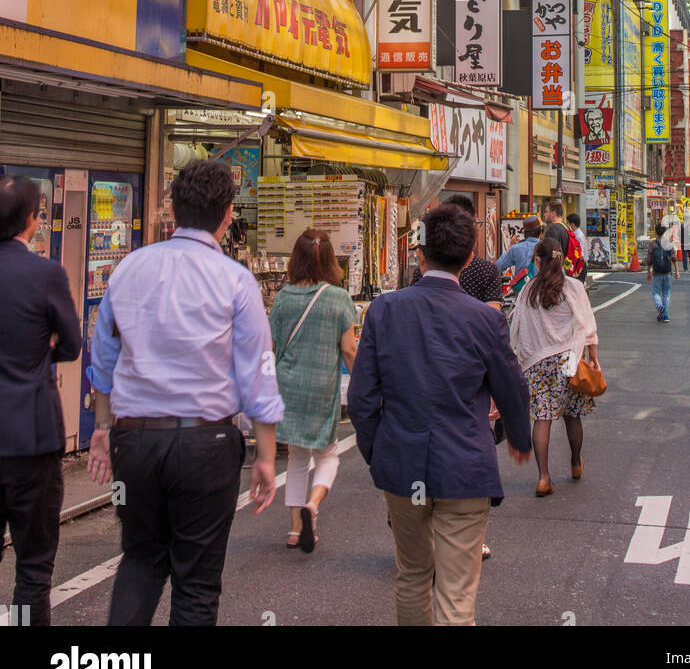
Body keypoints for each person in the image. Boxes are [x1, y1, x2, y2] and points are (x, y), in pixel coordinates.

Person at [87, 159, 285, 626]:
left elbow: (104, 360)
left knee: (139, 559)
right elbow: (258, 370)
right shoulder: (235, 280)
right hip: (206, 444)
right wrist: (266, 454)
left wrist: (101, 429)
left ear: (172, 210)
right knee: (196, 582)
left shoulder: (127, 269)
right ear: (228, 213)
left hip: (133, 440)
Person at [348, 202, 532, 627]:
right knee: (456, 592)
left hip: (405, 470)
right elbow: (512, 389)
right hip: (464, 469)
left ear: (419, 252)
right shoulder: (483, 319)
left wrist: (379, 450)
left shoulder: (385, 311)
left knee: (413, 574)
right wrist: (520, 439)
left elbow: (361, 399)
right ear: (469, 258)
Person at [0, 175, 82, 626]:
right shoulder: (44, 273)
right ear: (33, 220)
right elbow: (71, 345)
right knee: (33, 566)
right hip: (31, 436)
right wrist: (42, 349)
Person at [269, 229, 357, 553]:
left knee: (295, 457)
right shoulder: (339, 298)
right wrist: (363, 385)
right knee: (327, 453)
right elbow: (349, 350)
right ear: (332, 261)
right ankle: (313, 504)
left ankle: (294, 530)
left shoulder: (283, 297)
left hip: (288, 385)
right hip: (322, 385)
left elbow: (271, 347)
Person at [509, 241, 600, 494]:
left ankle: (543, 477)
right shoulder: (573, 286)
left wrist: (517, 358)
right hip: (568, 360)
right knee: (572, 414)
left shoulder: (527, 289)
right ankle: (575, 462)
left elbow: (516, 327)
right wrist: (593, 357)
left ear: (538, 261)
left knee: (542, 418)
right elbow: (587, 324)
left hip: (537, 362)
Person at [497, 216, 542, 298]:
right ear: (540, 232)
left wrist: (510, 247)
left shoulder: (516, 248)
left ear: (525, 233)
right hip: (543, 296)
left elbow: (499, 266)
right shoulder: (548, 247)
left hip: (522, 297)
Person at [646, 224, 680, 322]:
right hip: (667, 272)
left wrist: (648, 272)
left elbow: (648, 260)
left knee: (656, 292)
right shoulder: (669, 244)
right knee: (666, 294)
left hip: (657, 272)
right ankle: (666, 316)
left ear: (656, 232)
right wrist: (677, 271)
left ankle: (660, 306)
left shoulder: (652, 244)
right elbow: (674, 258)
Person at [566, 213, 588, 284]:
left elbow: (579, 254)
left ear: (572, 224)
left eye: (567, 223)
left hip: (579, 265)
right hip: (580, 264)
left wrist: (576, 269)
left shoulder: (578, 236)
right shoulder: (578, 234)